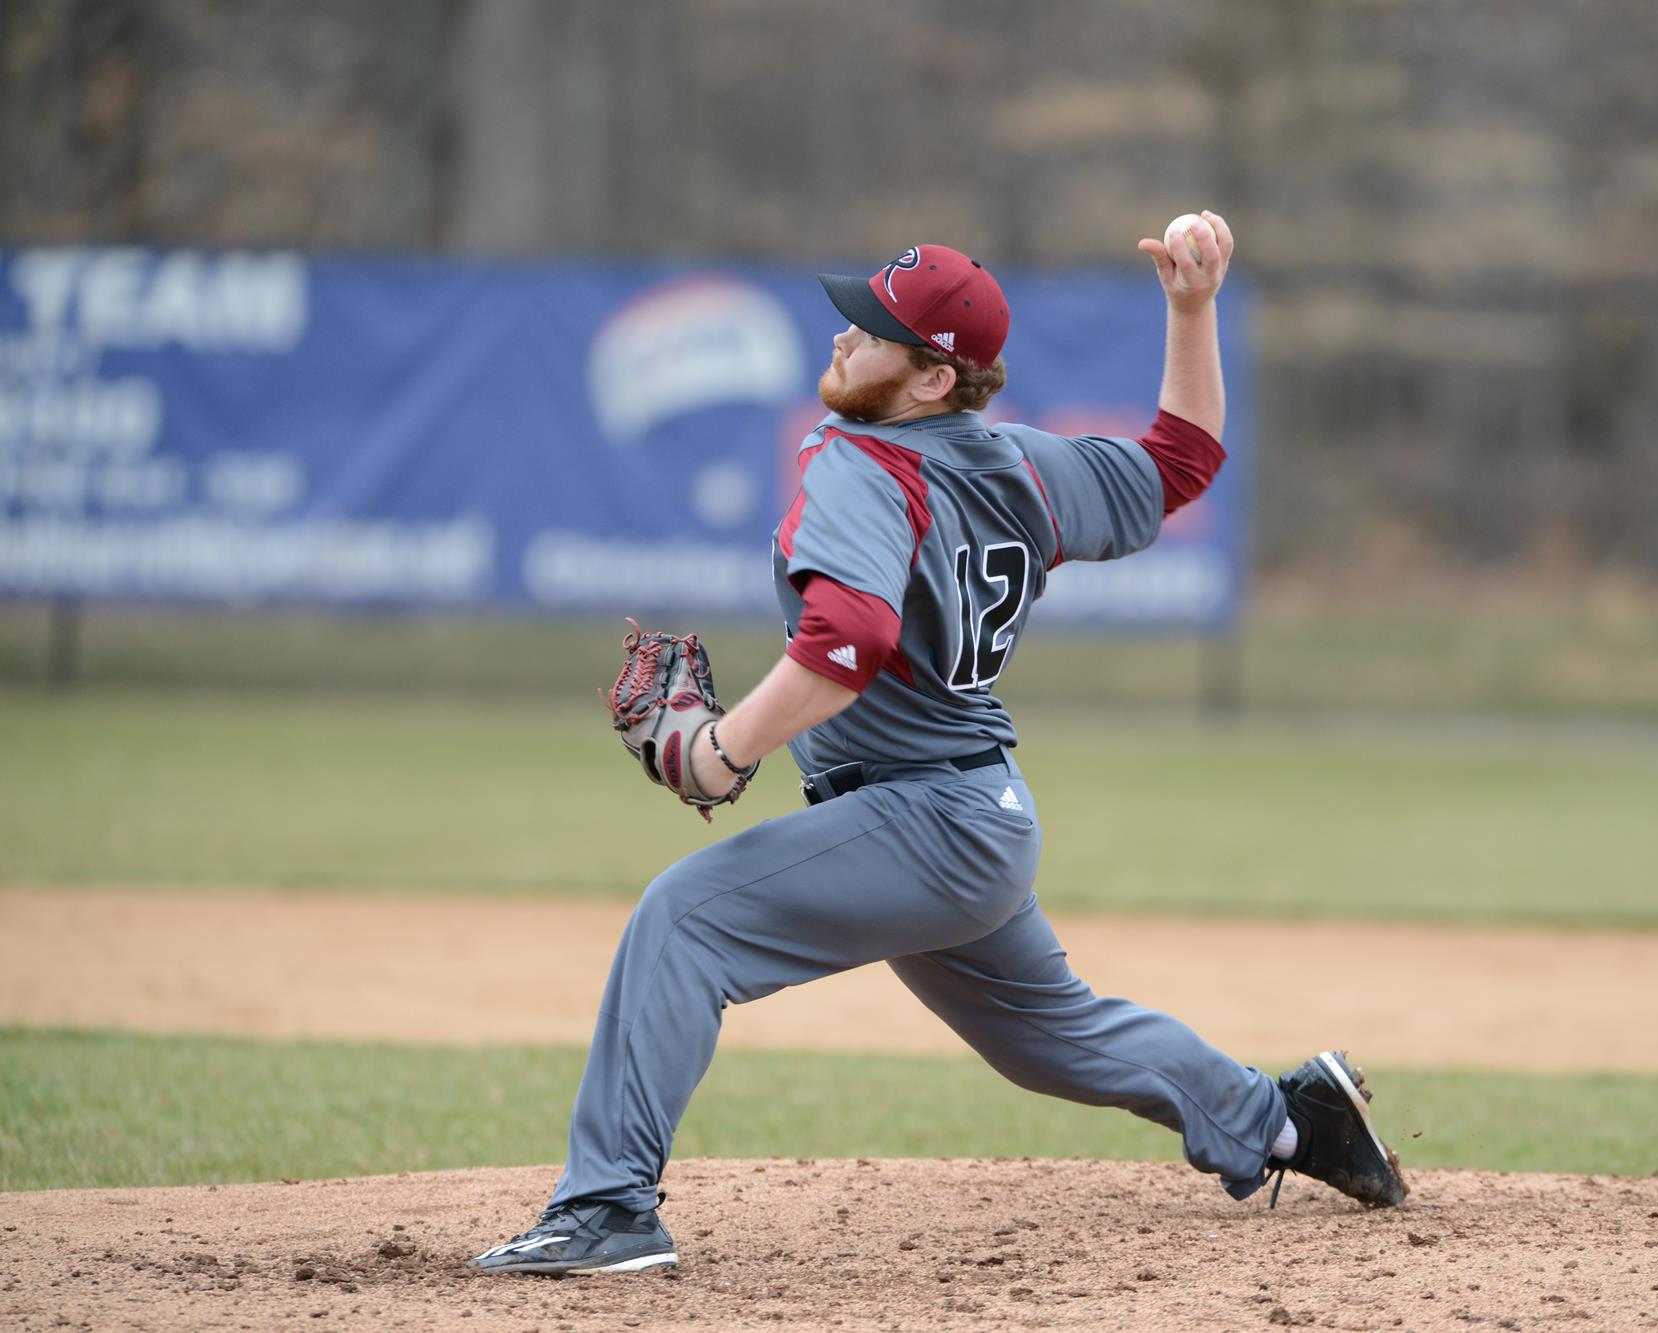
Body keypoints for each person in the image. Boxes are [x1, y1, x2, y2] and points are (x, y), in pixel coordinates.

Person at [470, 212, 1406, 1277]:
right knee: (1050, 1034)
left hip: (921, 819)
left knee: (681, 922)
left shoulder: (861, 465)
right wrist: (1189, 314)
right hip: (977, 817)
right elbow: (1179, 463)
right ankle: (1290, 1120)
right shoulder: (1018, 462)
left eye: (868, 330)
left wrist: (722, 752)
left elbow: (848, 639)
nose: (840, 339)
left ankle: (606, 1209)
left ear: (925, 379)